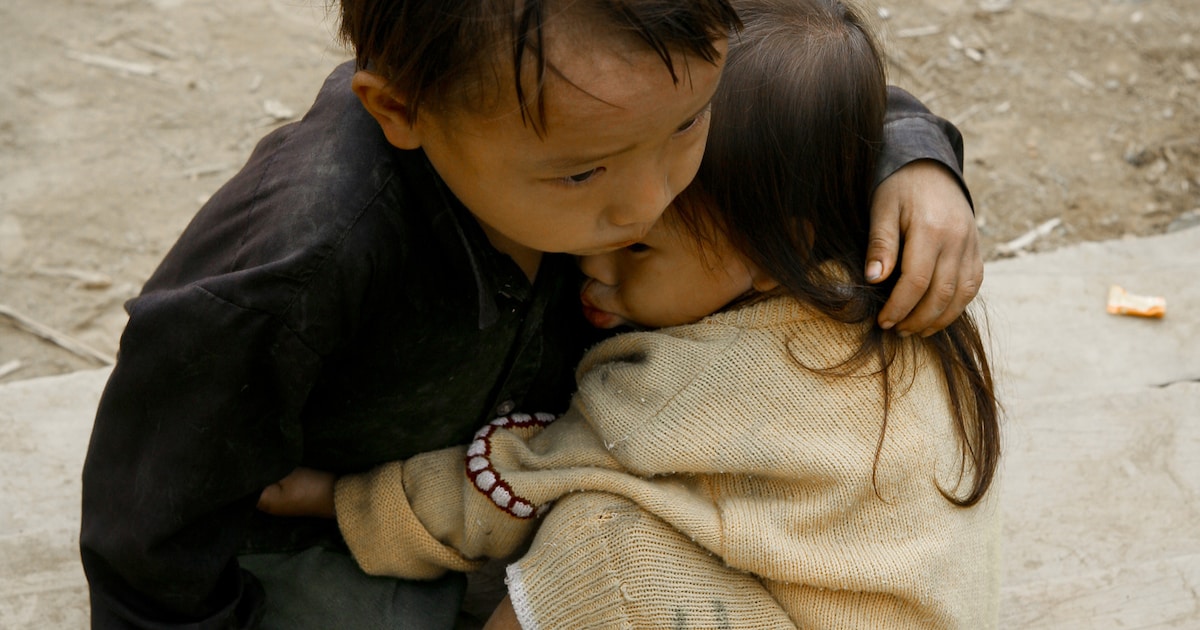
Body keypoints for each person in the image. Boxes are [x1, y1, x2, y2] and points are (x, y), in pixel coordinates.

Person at [80, 0, 983, 628]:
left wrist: (909, 157)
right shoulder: (301, 258)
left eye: (690, 127)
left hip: (526, 479)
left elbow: (799, 67)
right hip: (326, 524)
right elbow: (151, 515)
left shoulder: (631, 86)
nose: (646, 204)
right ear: (402, 110)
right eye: (583, 173)